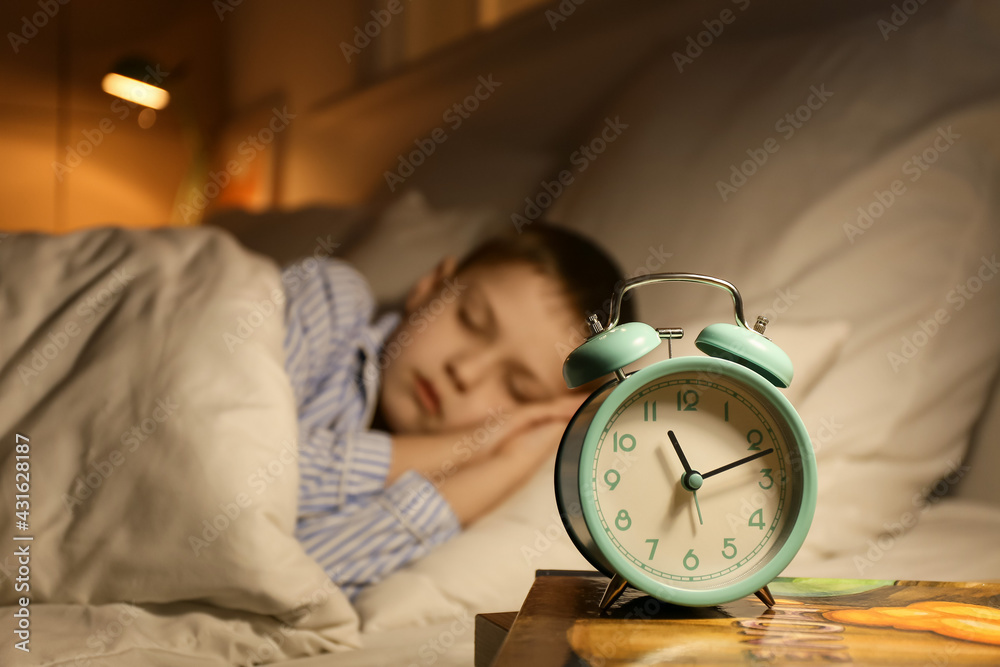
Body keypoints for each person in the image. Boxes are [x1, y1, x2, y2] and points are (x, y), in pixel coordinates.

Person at [282, 221, 635, 600]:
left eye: (518, 387)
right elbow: (239, 480)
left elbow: (276, 581)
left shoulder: (452, 516)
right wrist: (468, 444)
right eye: (470, 320)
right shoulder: (329, 300)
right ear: (431, 284)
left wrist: (506, 463)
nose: (464, 371)